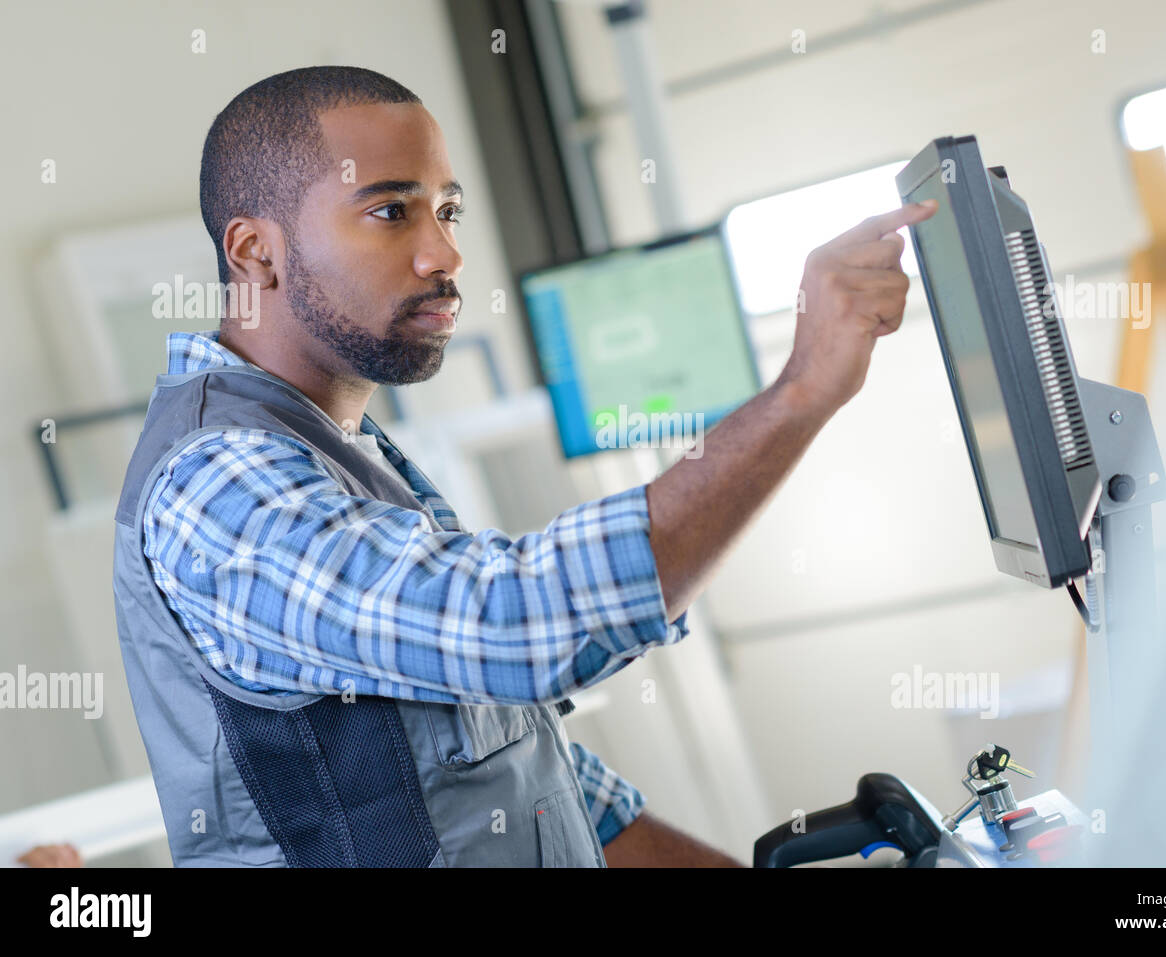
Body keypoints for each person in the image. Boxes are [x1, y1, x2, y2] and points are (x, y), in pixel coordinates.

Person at [111, 65, 935, 868]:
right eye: (392, 211)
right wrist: (800, 393)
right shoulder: (218, 476)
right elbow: (517, 621)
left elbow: (536, 778)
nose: (445, 254)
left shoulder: (350, 452)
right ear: (256, 253)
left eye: (450, 210)